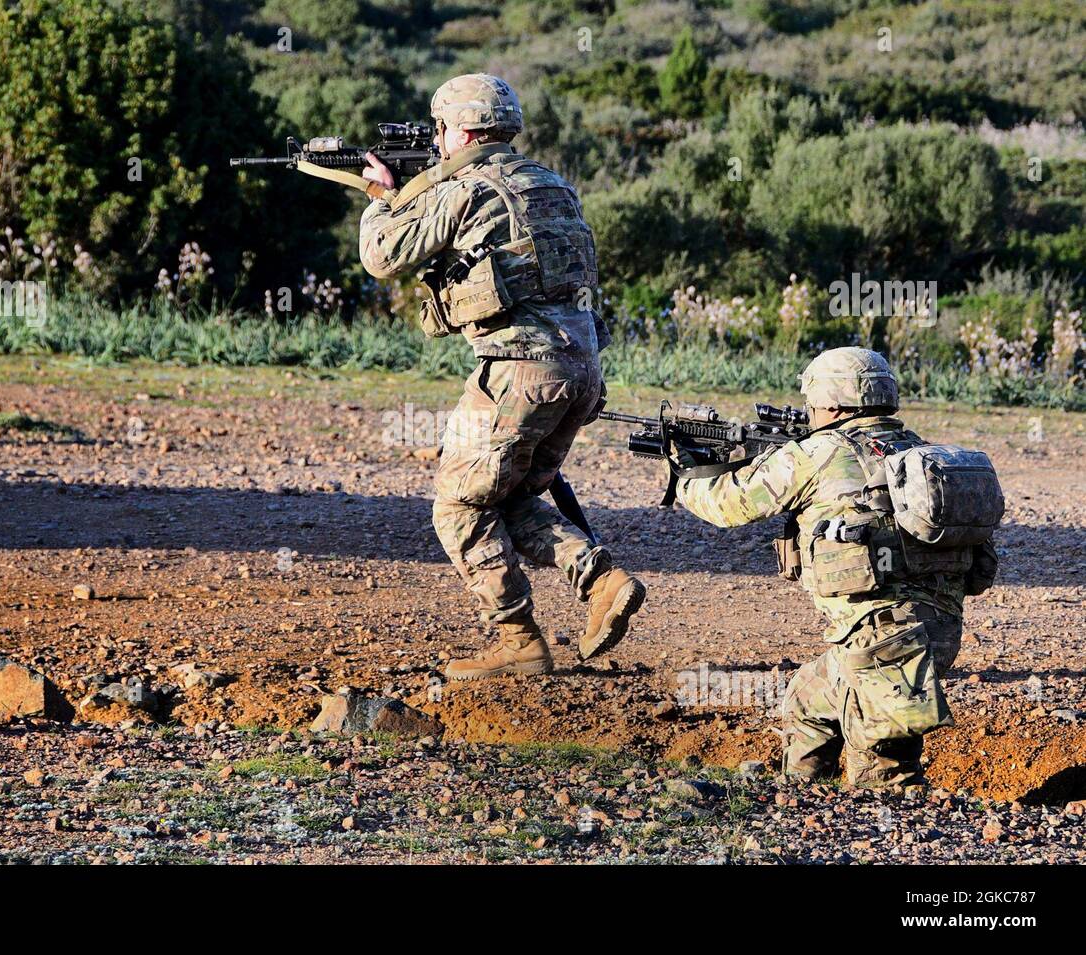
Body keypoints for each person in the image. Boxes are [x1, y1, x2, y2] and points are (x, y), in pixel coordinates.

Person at [358, 73, 644, 681]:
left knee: (457, 509)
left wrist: (382, 197)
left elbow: (382, 258)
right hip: (580, 369)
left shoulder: (464, 190)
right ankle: (601, 581)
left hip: (520, 370)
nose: (436, 142)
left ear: (460, 130)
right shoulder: (551, 185)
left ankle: (516, 640)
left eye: (440, 130)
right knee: (504, 496)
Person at [677, 347, 998, 788]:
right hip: (935, 633)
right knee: (807, 701)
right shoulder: (921, 454)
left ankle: (899, 839)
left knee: (884, 777)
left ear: (832, 403)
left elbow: (725, 505)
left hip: (883, 647)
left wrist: (686, 472)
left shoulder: (818, 453)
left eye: (812, 405)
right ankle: (804, 800)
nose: (808, 414)